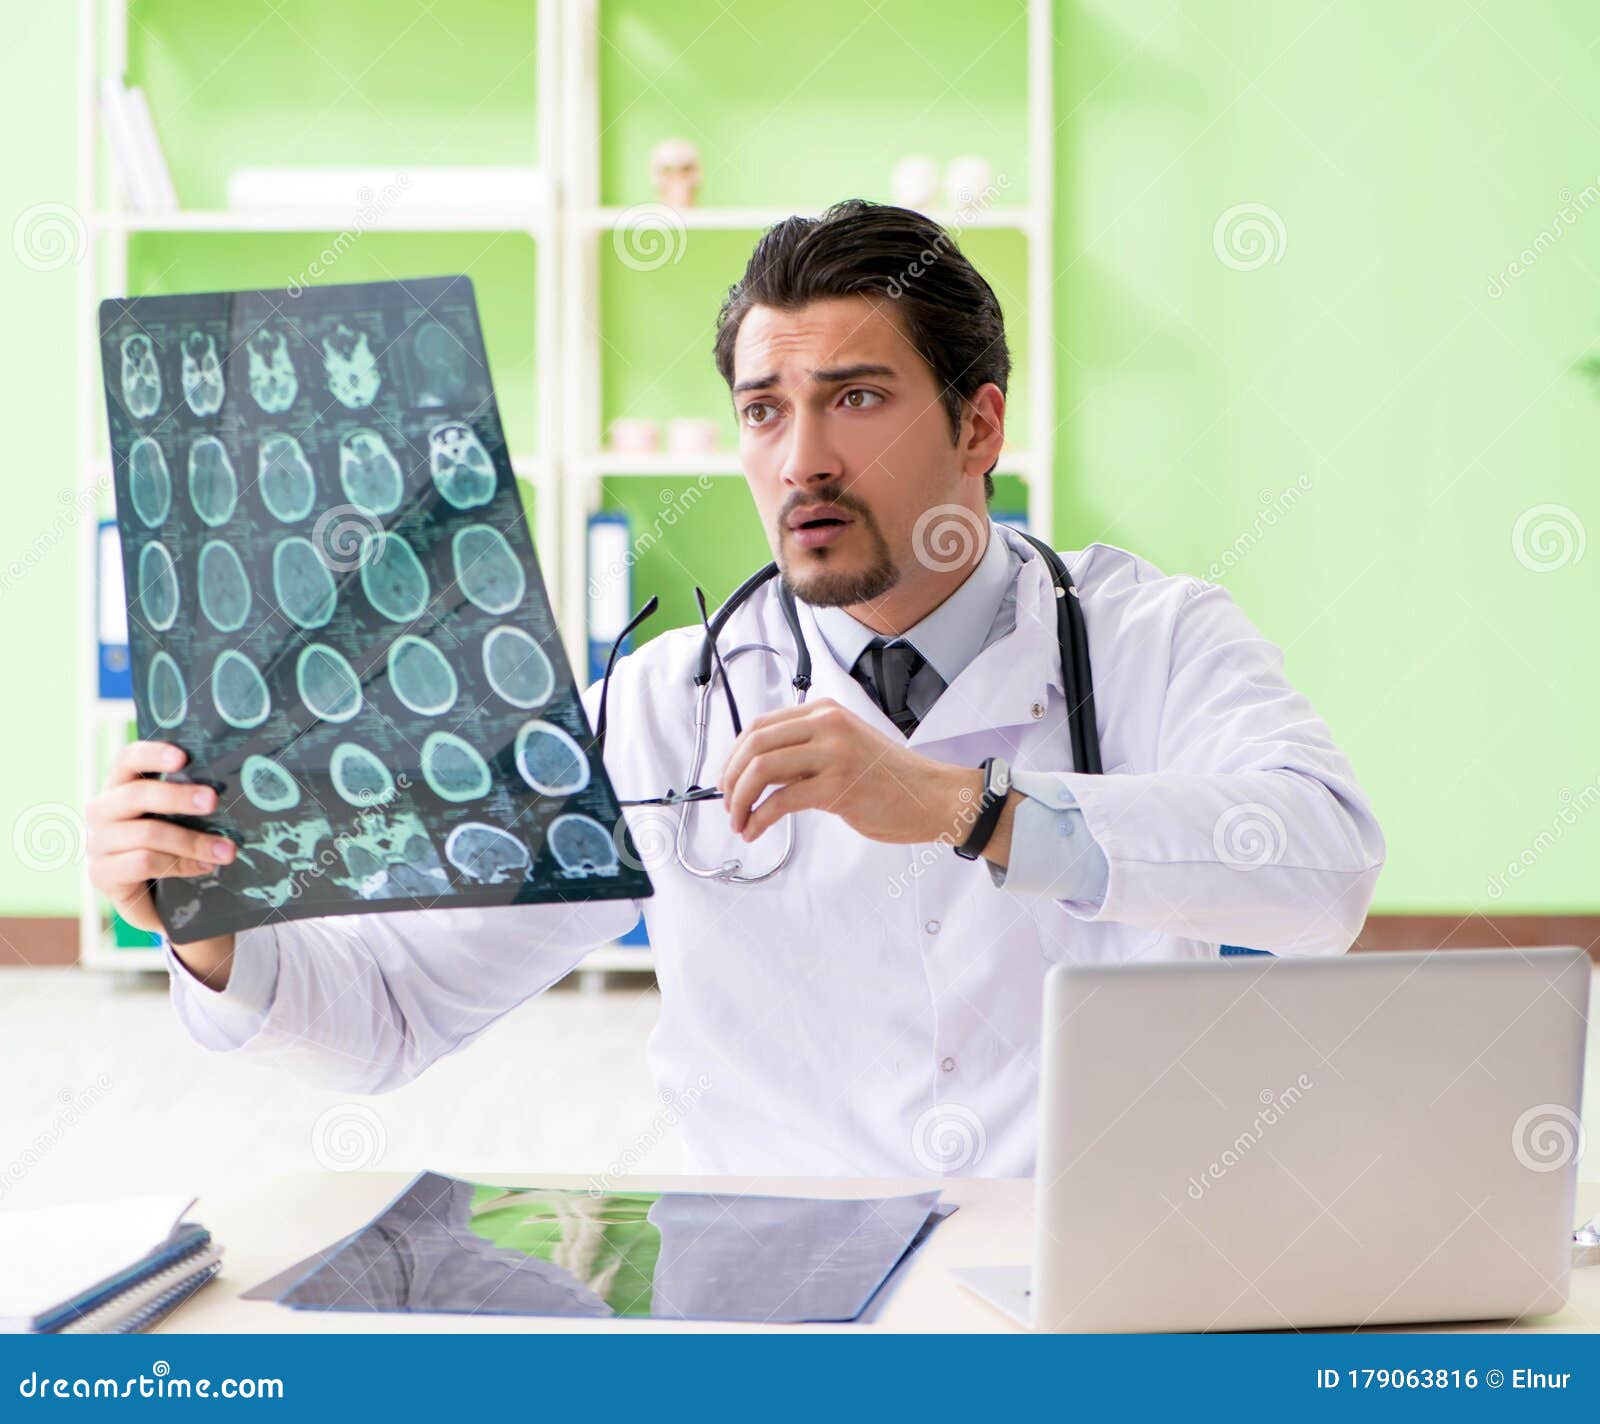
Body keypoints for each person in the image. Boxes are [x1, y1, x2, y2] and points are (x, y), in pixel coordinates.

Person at [86, 201, 1385, 1178]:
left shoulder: (1145, 639)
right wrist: (207, 922)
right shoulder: (666, 706)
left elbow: (1325, 874)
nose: (803, 460)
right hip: (790, 1306)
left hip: (1077, 1286)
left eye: (857, 398)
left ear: (979, 426)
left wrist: (970, 810)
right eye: (764, 411)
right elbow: (387, 1015)